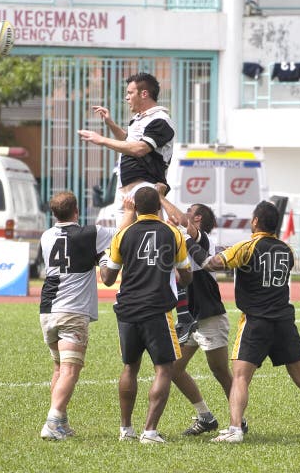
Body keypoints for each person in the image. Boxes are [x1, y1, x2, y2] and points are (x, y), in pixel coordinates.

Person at [204, 201, 300, 443]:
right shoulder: (286, 249)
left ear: (256, 221)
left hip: (256, 321)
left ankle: (235, 429)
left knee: (240, 377)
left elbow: (215, 263)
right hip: (284, 321)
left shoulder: (247, 246)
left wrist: (199, 253)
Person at [78, 74, 196, 335]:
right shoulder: (139, 120)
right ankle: (130, 294)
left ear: (144, 94)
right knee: (126, 245)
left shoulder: (161, 120)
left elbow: (140, 150)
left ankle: (184, 313)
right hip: (127, 193)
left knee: (159, 246)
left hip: (146, 189)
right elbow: (128, 143)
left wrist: (101, 140)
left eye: (130, 92)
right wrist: (110, 124)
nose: (126, 96)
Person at [100, 186, 193, 444]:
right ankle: (150, 431)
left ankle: (126, 429)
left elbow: (107, 278)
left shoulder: (123, 235)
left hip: (128, 309)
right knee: (164, 368)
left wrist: (105, 259)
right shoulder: (172, 233)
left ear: (136, 208)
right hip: (157, 309)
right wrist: (176, 273)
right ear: (159, 207)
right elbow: (187, 275)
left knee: (130, 366)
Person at [38, 191, 132, 441]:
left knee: (59, 368)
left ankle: (62, 422)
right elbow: (120, 235)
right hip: (72, 311)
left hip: (48, 309)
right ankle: (52, 421)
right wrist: (129, 210)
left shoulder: (46, 236)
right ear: (76, 211)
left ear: (53, 214)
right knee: (70, 370)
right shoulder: (90, 233)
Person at [158, 196, 245, 436]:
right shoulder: (182, 238)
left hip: (208, 316)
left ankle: (240, 420)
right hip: (188, 317)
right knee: (174, 369)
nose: (184, 213)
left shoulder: (204, 238)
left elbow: (180, 220)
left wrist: (158, 195)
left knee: (220, 371)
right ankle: (205, 417)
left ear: (197, 219)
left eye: (190, 212)